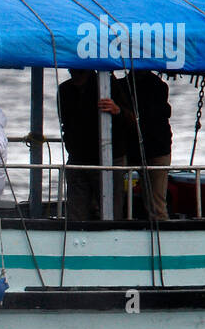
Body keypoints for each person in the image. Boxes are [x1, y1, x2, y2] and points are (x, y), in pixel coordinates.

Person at [57, 68, 131, 220]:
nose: (76, 75)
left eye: (80, 72)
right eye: (74, 71)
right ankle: (77, 235)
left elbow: (132, 120)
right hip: (78, 158)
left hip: (109, 159)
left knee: (112, 212)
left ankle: (113, 235)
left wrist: (117, 111)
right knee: (76, 213)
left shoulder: (110, 84)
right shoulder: (65, 90)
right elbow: (65, 122)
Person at [112, 70, 173, 221]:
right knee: (113, 192)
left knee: (156, 202)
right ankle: (113, 223)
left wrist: (120, 112)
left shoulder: (157, 87)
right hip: (128, 148)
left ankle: (160, 230)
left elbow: (144, 121)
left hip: (156, 148)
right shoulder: (121, 85)